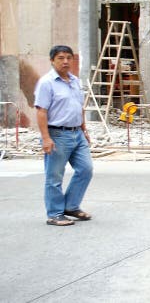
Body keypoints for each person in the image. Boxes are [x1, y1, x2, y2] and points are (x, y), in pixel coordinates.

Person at [34, 45, 94, 226]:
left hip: (77, 134)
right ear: (52, 60)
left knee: (85, 170)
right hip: (57, 134)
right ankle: (55, 213)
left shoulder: (75, 81)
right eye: (60, 58)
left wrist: (84, 130)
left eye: (69, 57)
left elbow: (78, 107)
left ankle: (71, 206)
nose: (65, 61)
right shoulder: (47, 83)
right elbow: (41, 111)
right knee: (54, 177)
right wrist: (46, 138)